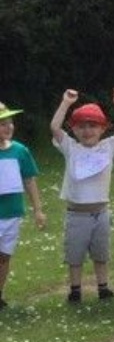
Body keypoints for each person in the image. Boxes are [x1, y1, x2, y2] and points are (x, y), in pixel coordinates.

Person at [50, 89, 114, 303]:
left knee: (101, 254)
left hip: (101, 213)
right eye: (81, 126)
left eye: (93, 126)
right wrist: (65, 102)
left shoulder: (109, 146)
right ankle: (75, 289)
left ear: (103, 128)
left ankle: (103, 287)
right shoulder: (71, 147)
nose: (87, 131)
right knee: (75, 255)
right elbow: (54, 127)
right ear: (74, 129)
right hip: (76, 214)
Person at [0, 102, 46, 308]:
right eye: (2, 124)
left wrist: (38, 210)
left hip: (12, 213)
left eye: (10, 122)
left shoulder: (20, 151)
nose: (8, 127)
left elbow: (29, 180)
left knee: (4, 256)